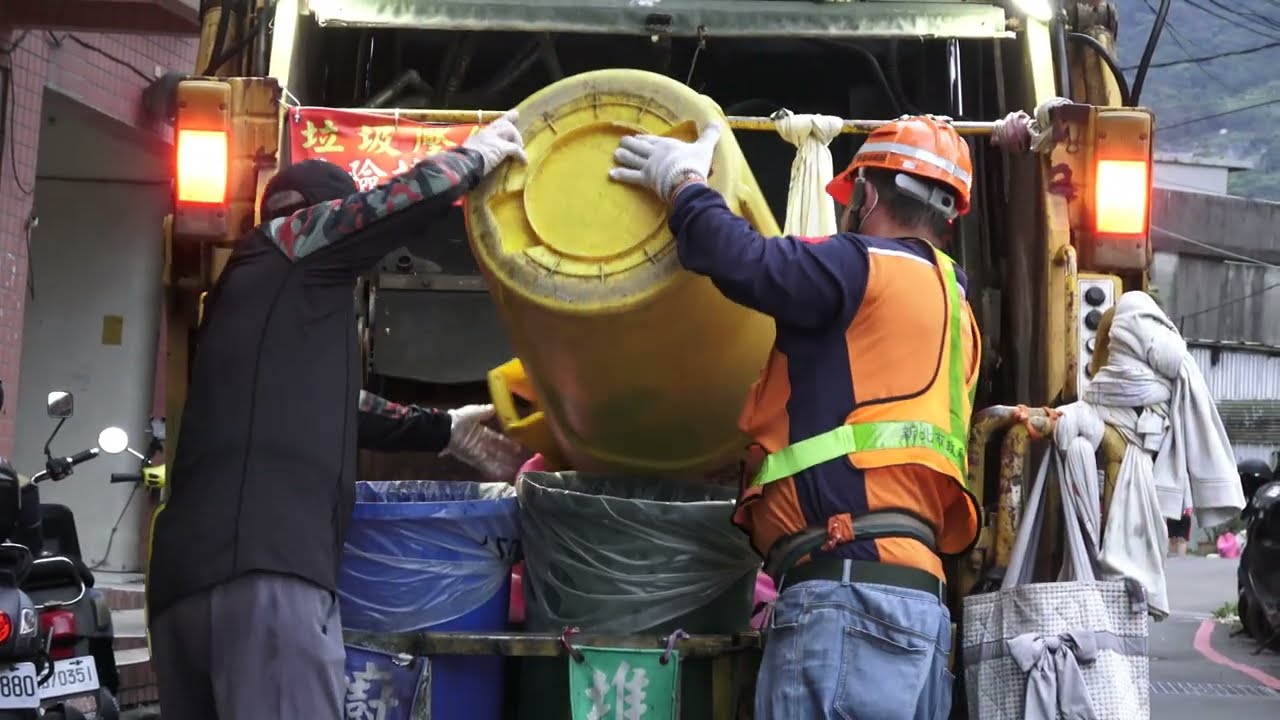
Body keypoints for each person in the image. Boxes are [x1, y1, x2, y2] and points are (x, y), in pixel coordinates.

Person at [147, 113, 526, 720]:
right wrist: (471, 159)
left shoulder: (249, 302)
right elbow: (383, 208)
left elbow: (345, 409)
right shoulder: (289, 242)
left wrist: (444, 430)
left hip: (183, 588)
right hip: (266, 575)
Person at [610, 115, 981, 719]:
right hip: (916, 611)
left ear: (863, 195)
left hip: (850, 598)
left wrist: (682, 184)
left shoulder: (862, 267)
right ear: (947, 216)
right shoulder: (957, 313)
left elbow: (743, 261)